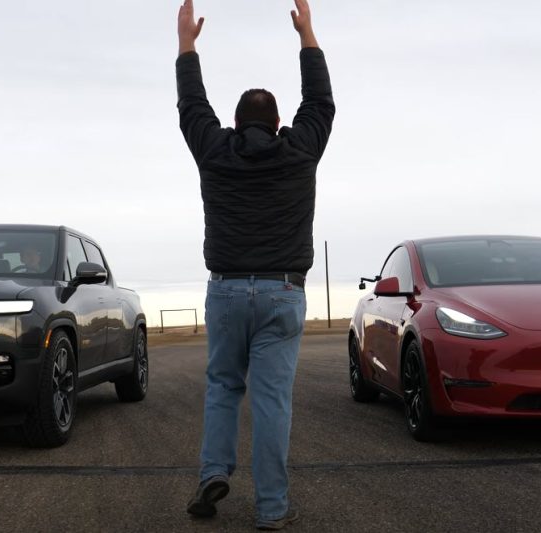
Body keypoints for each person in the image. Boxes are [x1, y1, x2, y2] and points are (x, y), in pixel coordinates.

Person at [175, 0, 335, 529]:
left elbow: (192, 106)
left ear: (236, 122)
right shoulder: (300, 151)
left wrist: (187, 45)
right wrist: (306, 34)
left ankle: (212, 475)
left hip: (224, 293)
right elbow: (322, 102)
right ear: (280, 123)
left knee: (223, 387)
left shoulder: (215, 152)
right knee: (271, 402)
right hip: (282, 293)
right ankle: (271, 509)